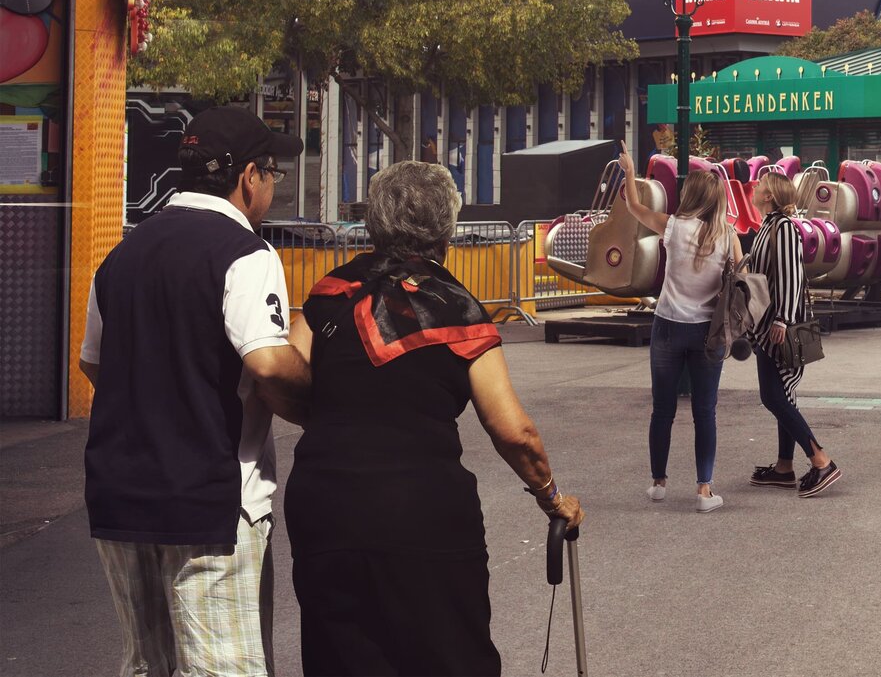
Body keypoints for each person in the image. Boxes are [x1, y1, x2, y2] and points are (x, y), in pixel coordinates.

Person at [286, 160, 584, 677]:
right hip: (421, 512)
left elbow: (288, 372)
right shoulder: (459, 309)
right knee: (448, 656)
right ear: (446, 229)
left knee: (342, 658)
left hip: (322, 502)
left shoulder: (329, 292)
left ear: (374, 223)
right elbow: (514, 431)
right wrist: (552, 496)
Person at [82, 106, 312, 677]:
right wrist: (313, 395)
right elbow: (267, 363)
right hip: (211, 504)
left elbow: (94, 364)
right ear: (247, 177)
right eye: (272, 173)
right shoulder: (245, 253)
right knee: (223, 669)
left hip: (120, 497)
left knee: (146, 666)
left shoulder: (121, 255)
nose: (270, 187)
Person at [609, 146, 739, 511]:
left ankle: (658, 483)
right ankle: (703, 491)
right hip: (706, 334)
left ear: (691, 196)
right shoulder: (728, 236)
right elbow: (743, 281)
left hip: (667, 327)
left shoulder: (672, 225)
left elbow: (634, 209)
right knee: (705, 412)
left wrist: (630, 170)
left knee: (662, 410)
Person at [746, 170, 842, 497]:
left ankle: (821, 461)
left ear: (769, 195)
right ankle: (784, 467)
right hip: (768, 323)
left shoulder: (784, 228)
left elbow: (791, 275)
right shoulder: (770, 226)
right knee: (781, 396)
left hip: (778, 326)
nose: (754, 189)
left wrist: (782, 319)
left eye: (759, 186)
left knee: (774, 396)